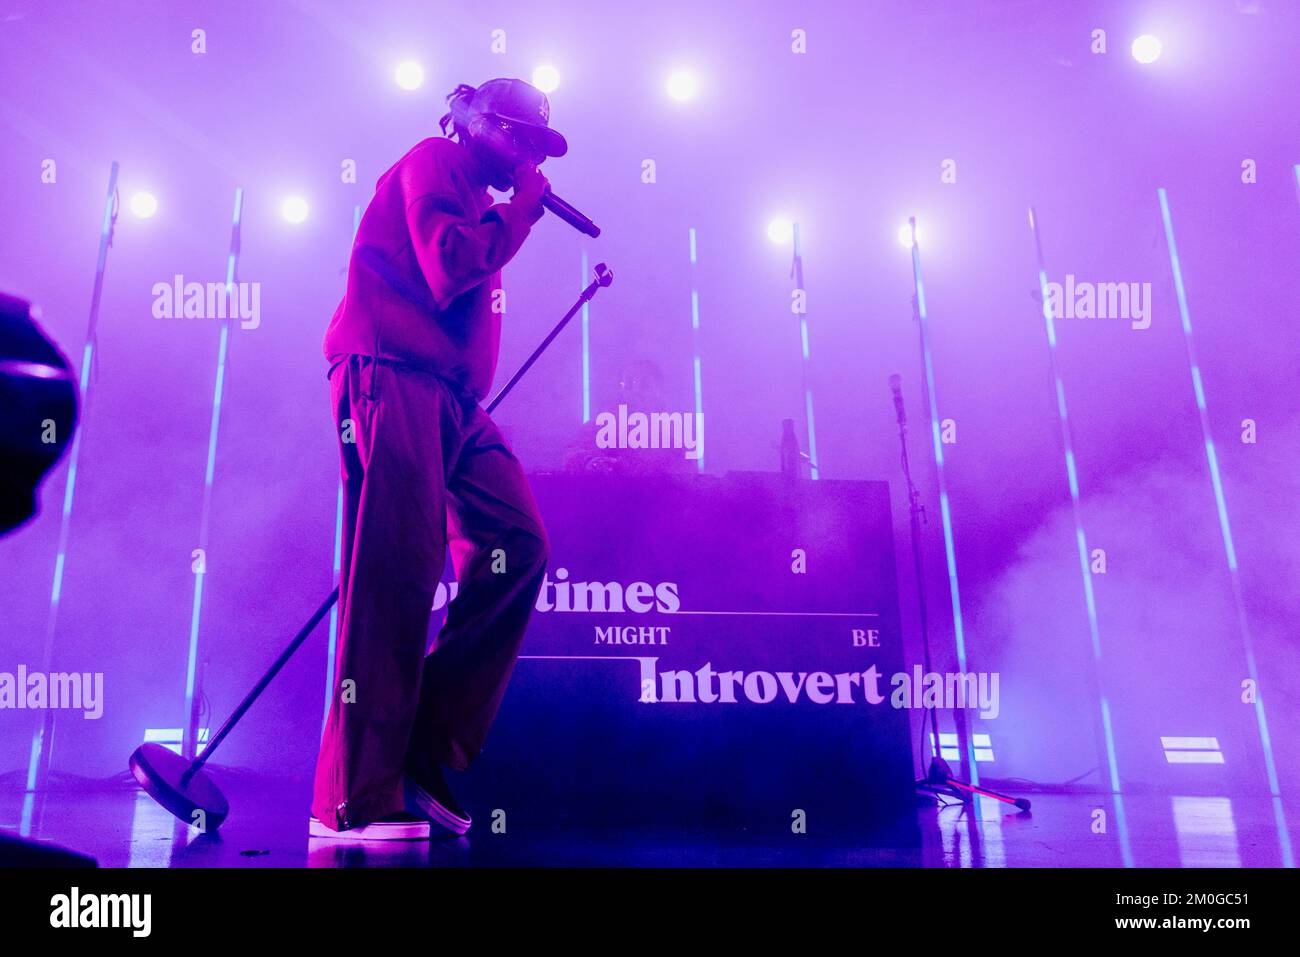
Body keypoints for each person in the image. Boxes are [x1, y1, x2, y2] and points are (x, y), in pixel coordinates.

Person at [310, 78, 563, 841]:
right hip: (390, 371)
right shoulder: (432, 161)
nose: (525, 157)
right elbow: (449, 264)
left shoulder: (480, 199)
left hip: (451, 397)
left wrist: (509, 213)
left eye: (536, 148)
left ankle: (419, 746)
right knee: (395, 569)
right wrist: (520, 212)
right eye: (516, 139)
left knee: (517, 546)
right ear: (477, 125)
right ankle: (350, 797)